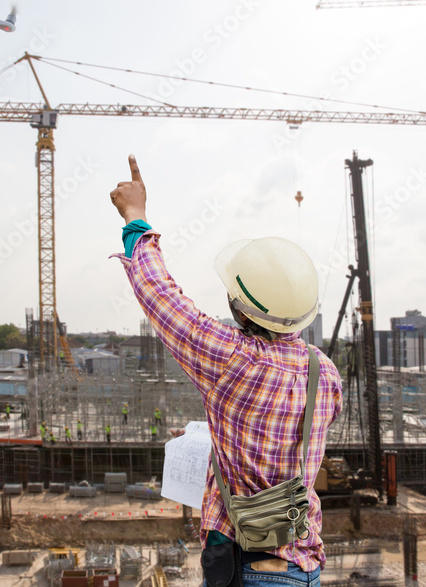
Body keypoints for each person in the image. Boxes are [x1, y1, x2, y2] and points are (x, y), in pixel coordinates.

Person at [111, 155, 342, 585]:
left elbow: (161, 297)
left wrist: (135, 218)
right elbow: (277, 430)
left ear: (239, 307)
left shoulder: (232, 359)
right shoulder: (324, 372)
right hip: (301, 562)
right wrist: (213, 431)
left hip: (246, 568)